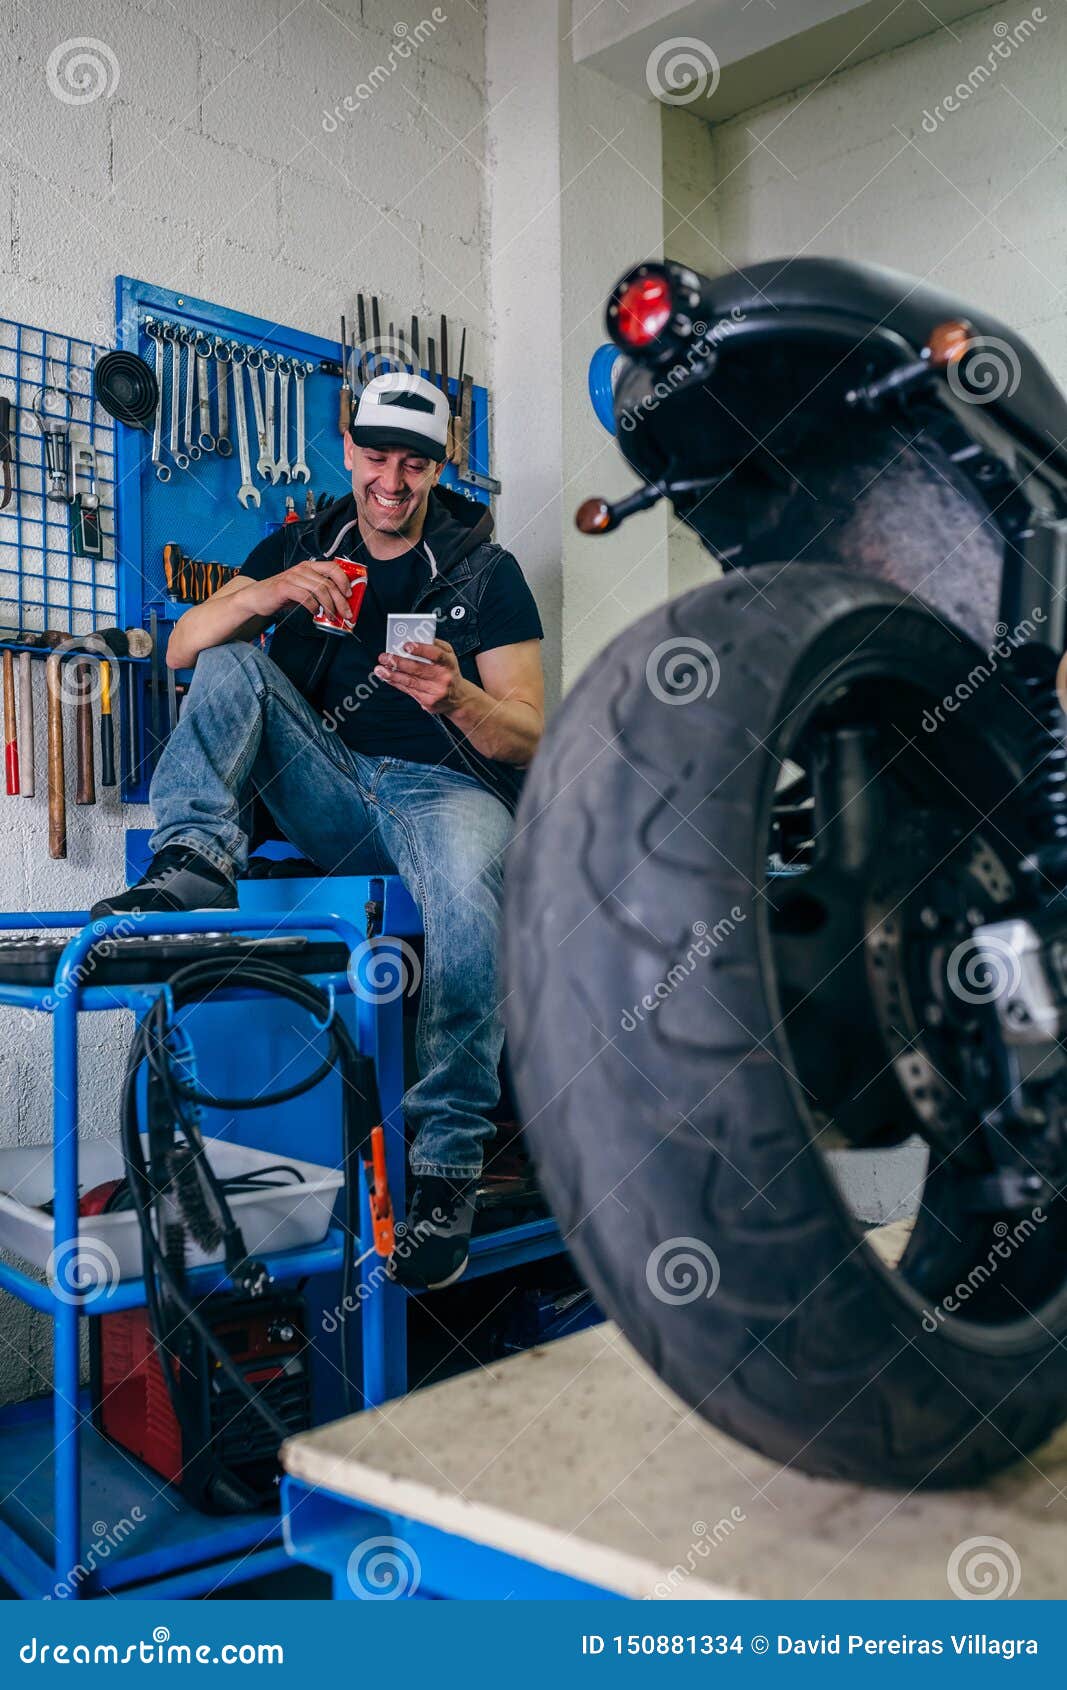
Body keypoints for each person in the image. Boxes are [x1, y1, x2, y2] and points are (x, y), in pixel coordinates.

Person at [92, 372, 545, 1291]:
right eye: (376, 457)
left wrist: (457, 697)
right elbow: (182, 652)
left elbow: (532, 730)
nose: (392, 480)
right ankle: (194, 862)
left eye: (414, 464)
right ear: (347, 452)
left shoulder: (484, 571)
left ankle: (446, 1166)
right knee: (225, 663)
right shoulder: (303, 543)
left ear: (436, 469)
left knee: (465, 890)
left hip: (442, 790)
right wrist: (265, 595)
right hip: (327, 789)